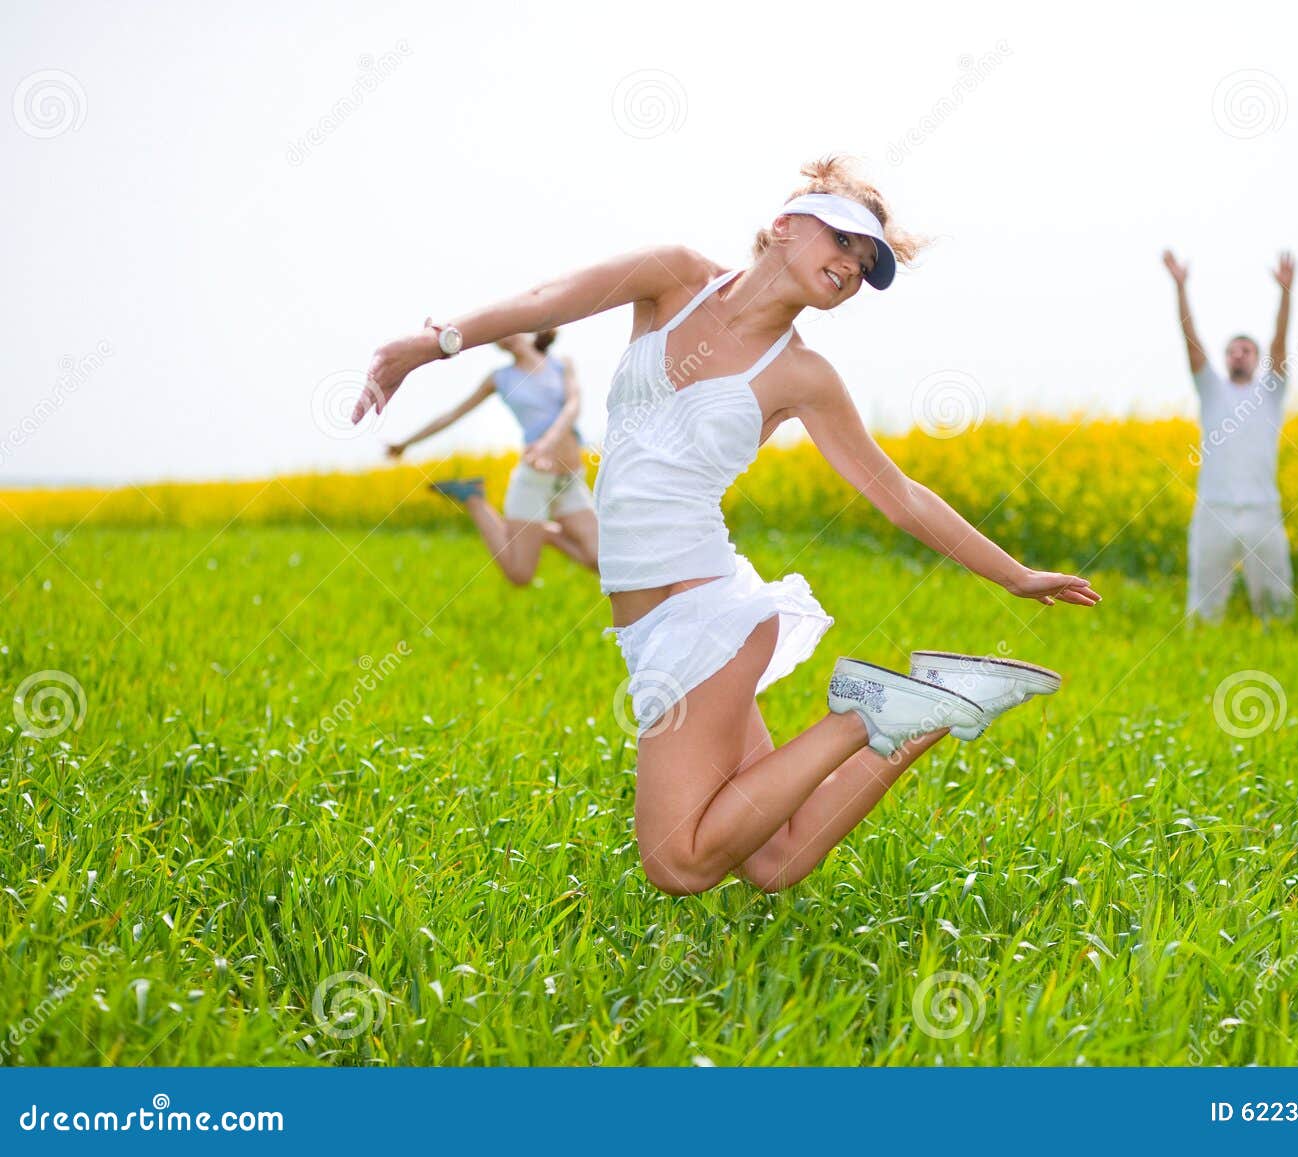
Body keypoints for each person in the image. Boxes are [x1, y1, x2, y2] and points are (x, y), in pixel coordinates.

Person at [357, 157, 1101, 895]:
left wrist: (1015, 575)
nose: (852, 265)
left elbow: (898, 494)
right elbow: (546, 300)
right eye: (843, 240)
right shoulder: (674, 279)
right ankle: (927, 707)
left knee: (677, 864)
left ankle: (864, 717)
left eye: (866, 262)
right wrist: (430, 344)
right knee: (775, 860)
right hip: (654, 622)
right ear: (785, 225)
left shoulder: (803, 375)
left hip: (702, 612)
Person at [385, 329, 598, 585]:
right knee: (520, 575)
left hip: (570, 480)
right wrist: (406, 443)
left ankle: (542, 531)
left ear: (528, 327)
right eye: (497, 336)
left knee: (599, 560)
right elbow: (453, 414)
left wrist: (546, 443)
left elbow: (573, 406)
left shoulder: (561, 364)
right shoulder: (501, 378)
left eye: (509, 329)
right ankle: (474, 499)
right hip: (534, 480)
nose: (505, 337)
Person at [1162, 249, 1296, 622]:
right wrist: (1180, 287)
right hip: (1214, 509)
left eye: (1247, 350)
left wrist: (1285, 293)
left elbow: (1280, 342)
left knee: (1277, 605)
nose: (1239, 355)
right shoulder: (1211, 389)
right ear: (1224, 358)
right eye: (1233, 351)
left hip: (1262, 511)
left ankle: (1281, 647)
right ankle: (1200, 649)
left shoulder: (1270, 391)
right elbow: (1191, 342)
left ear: (1256, 358)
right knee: (1203, 606)